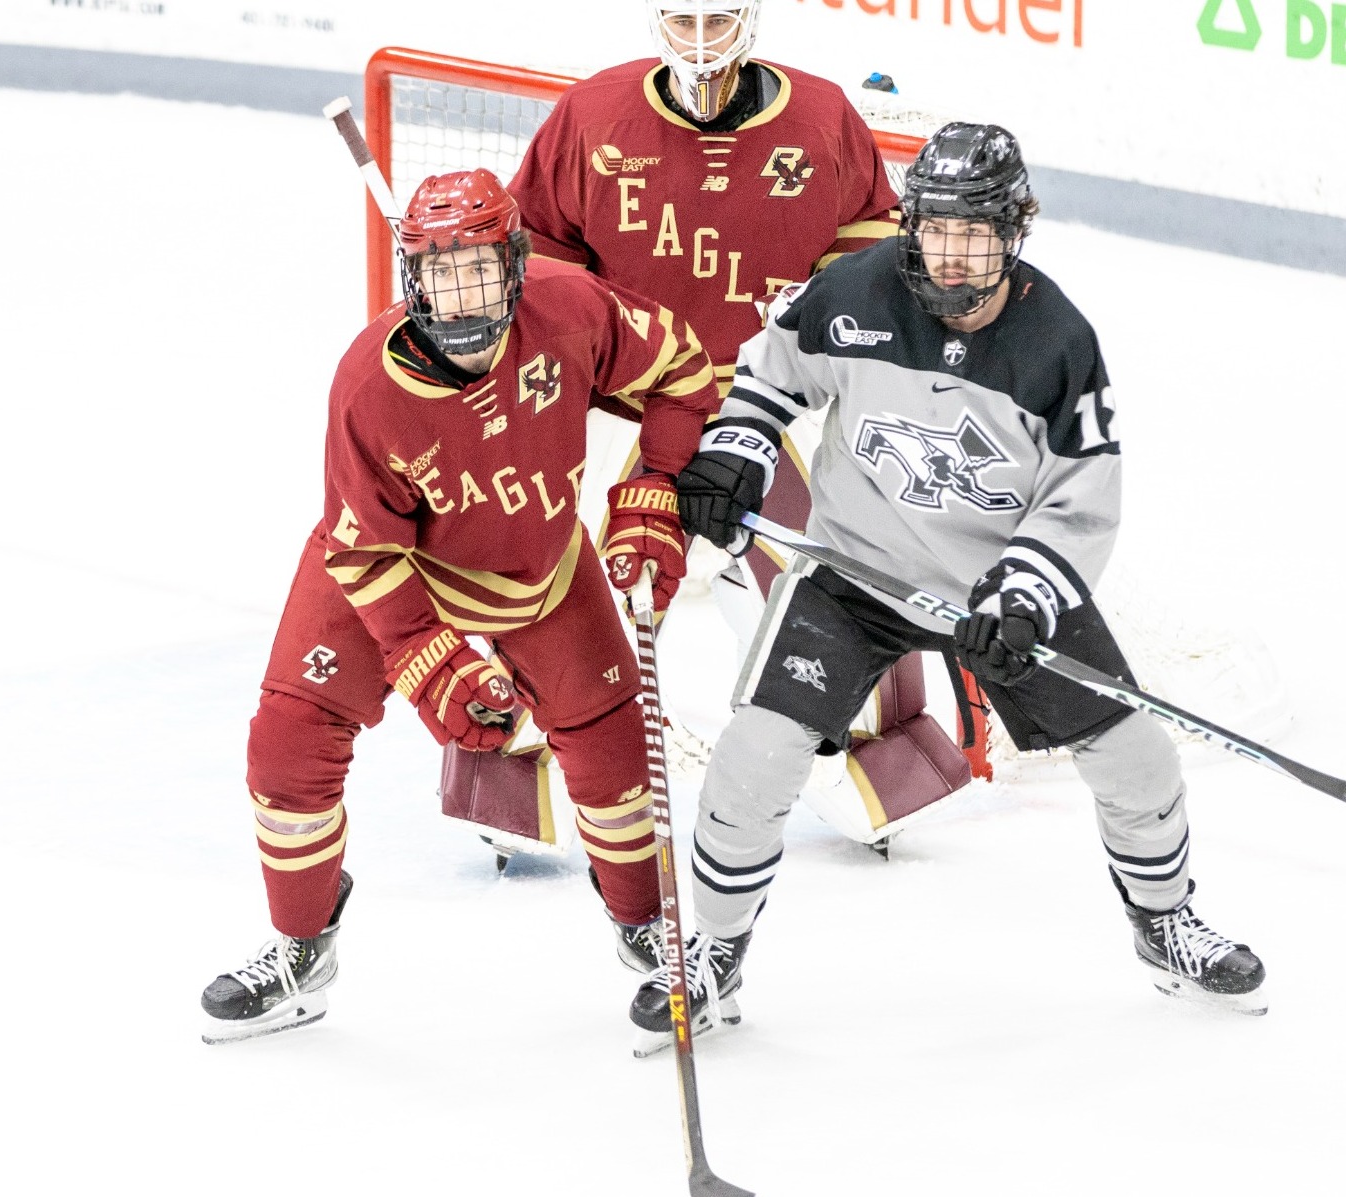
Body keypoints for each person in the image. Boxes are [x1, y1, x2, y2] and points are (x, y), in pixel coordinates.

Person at [626, 122, 1267, 1054]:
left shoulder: (1057, 339)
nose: (955, 254)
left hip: (995, 594)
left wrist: (1019, 594)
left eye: (978, 232)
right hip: (854, 574)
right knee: (754, 757)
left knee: (1136, 759)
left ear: (1017, 229)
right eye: (937, 228)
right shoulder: (852, 292)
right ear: (910, 223)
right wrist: (737, 449)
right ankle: (711, 954)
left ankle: (1164, 924)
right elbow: (772, 372)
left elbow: (1082, 492)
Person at [199, 168, 721, 1044]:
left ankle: (646, 930)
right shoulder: (368, 385)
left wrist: (653, 489)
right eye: (441, 274)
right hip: (385, 563)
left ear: (516, 262)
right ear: (414, 281)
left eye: (479, 268)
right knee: (287, 739)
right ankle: (299, 949)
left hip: (533, 559)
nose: (462, 295)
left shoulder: (575, 308)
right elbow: (362, 545)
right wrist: (423, 654)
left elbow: (680, 368)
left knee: (615, 747)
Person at [466, 0, 975, 863]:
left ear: (750, 20)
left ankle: (874, 765)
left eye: (716, 21)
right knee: (553, 577)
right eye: (683, 21)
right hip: (625, 397)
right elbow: (541, 252)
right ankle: (522, 785)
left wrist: (818, 332)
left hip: (760, 401)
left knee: (840, 578)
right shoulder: (591, 114)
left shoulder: (819, 118)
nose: (699, 43)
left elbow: (866, 257)